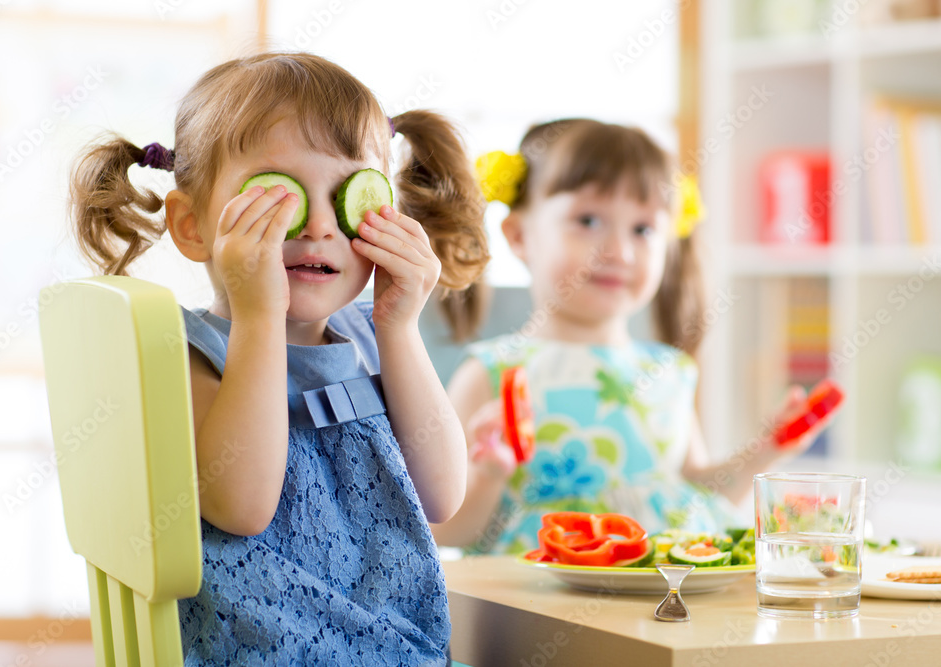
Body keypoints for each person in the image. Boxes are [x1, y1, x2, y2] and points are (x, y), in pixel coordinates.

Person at [68, 52, 488, 666]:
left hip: (399, 647)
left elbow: (442, 495)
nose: (318, 225)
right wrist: (260, 316)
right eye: (276, 198)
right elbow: (241, 505)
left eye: (349, 198)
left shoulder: (376, 338)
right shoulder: (188, 354)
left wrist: (401, 327)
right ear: (192, 226)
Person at [430, 118, 829, 555]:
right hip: (542, 608)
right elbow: (445, 533)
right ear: (520, 235)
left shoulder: (669, 371)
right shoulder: (493, 372)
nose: (618, 251)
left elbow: (699, 491)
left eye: (643, 229)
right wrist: (488, 476)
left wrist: (767, 449)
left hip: (666, 594)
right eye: (587, 220)